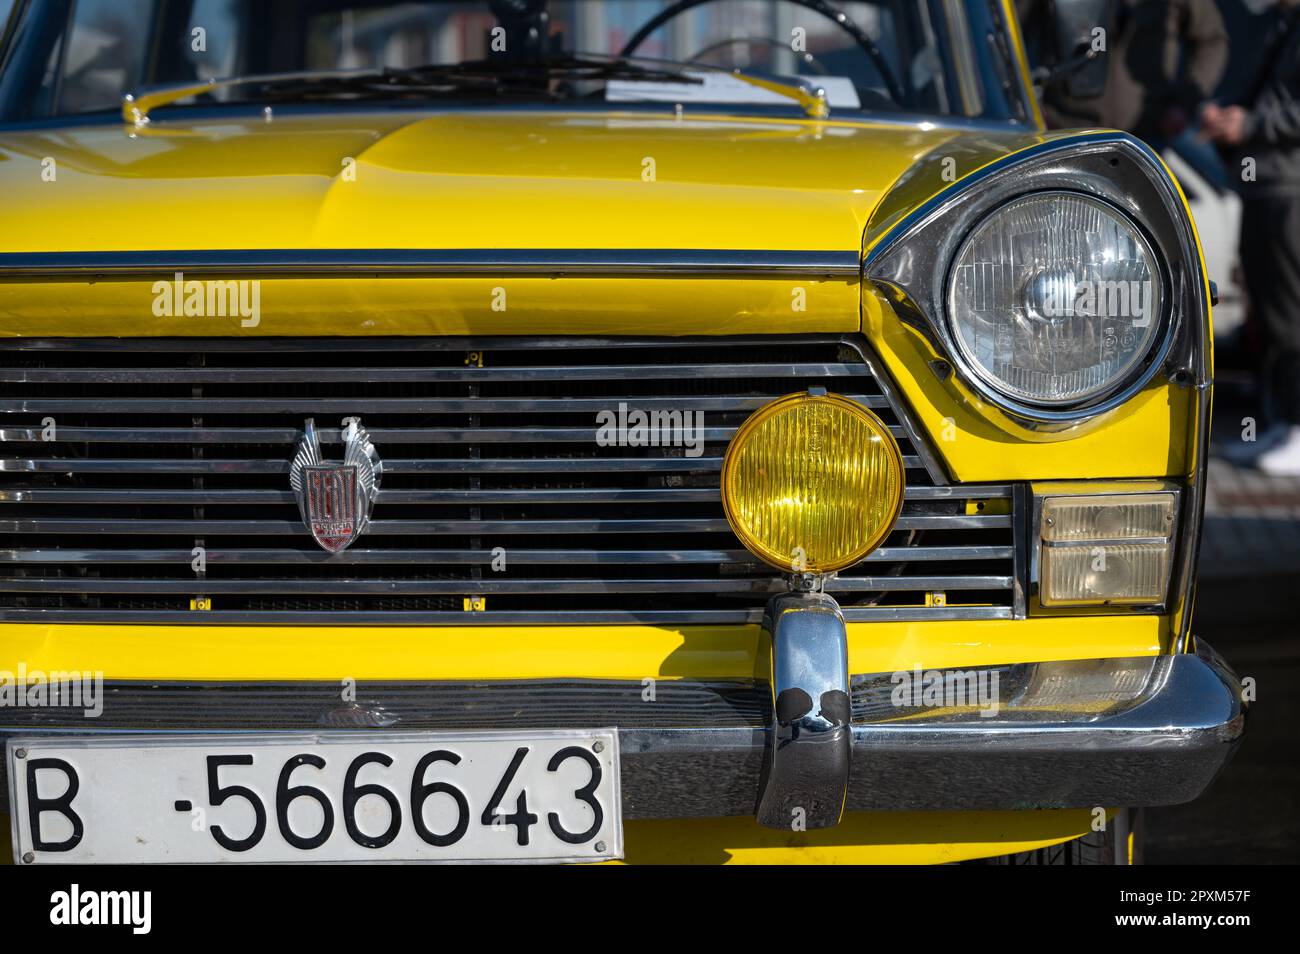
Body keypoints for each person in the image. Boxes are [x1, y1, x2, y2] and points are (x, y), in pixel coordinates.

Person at [1203, 0, 1300, 474]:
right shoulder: (1282, 24)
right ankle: (1283, 423)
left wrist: (1252, 125)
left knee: (1291, 314)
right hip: (1266, 186)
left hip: (1290, 188)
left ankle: (1297, 430)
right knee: (1272, 315)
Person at [1018, 0, 1228, 144]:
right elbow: (1010, 34)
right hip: (1061, 129)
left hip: (1142, 135)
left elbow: (1211, 39)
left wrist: (1185, 103)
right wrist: (1024, 103)